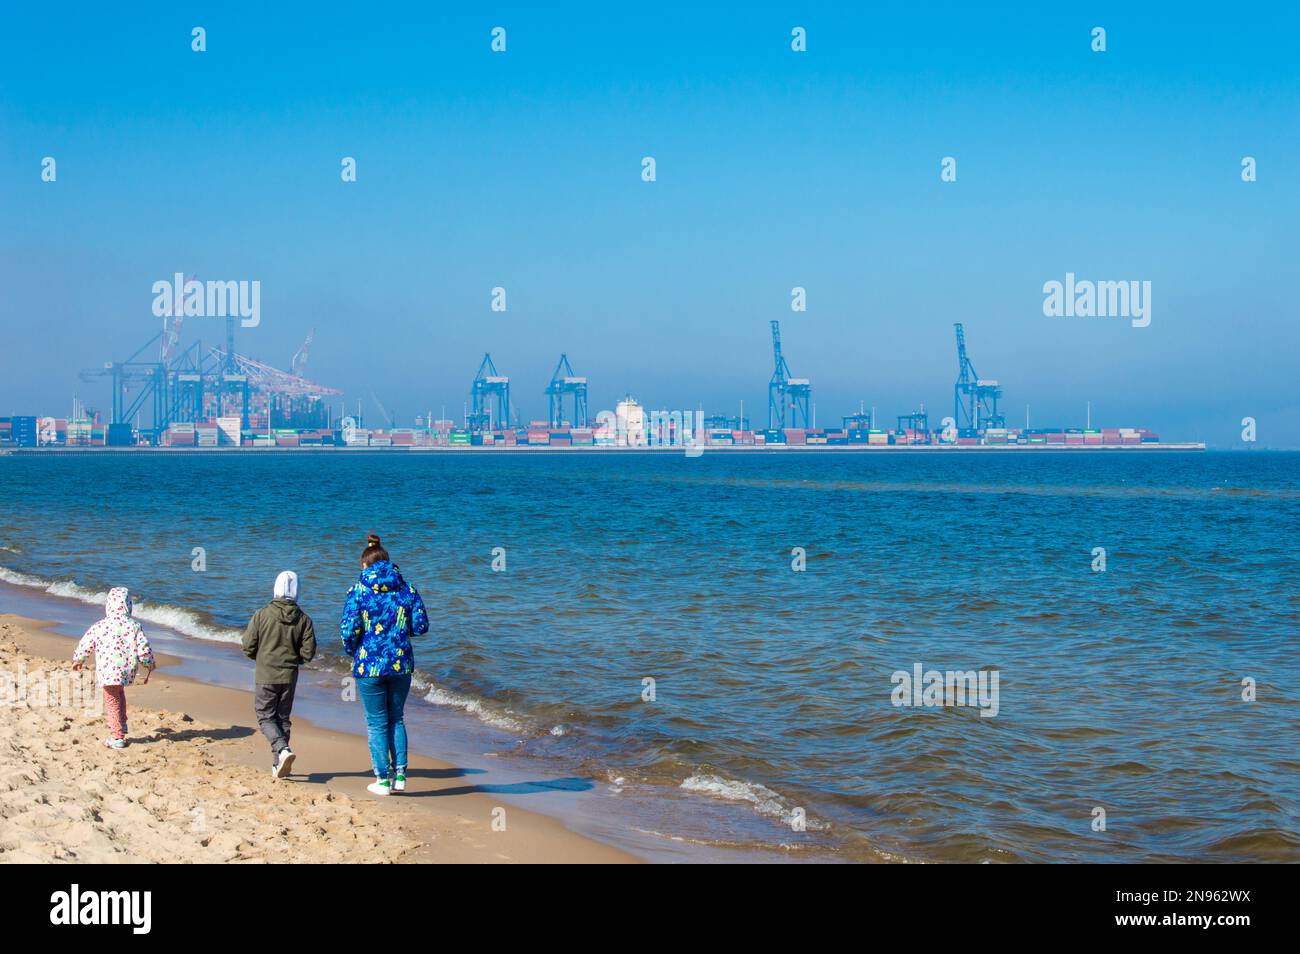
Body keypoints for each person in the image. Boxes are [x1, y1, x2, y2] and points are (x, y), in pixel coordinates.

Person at [340, 534, 428, 796]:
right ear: (388, 562)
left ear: (365, 565)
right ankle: (400, 776)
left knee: (377, 723)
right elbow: (421, 626)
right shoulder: (407, 589)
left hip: (369, 665)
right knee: (397, 719)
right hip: (401, 663)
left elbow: (348, 629)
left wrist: (353, 651)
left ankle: (382, 781)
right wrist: (401, 631)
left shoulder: (358, 590)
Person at [242, 570, 316, 779]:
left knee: (265, 716)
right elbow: (308, 652)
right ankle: (279, 763)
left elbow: (248, 646)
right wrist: (295, 660)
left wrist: (262, 658)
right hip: (289, 676)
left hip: (266, 674)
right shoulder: (304, 620)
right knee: (282, 718)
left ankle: (282, 750)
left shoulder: (261, 615)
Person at [72, 587, 155, 749]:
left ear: (108, 605)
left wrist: (78, 659)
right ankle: (122, 723)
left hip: (108, 670)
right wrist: (149, 662)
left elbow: (85, 644)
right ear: (128, 606)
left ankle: (117, 737)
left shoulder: (100, 625)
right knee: (119, 692)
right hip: (126, 669)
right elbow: (143, 647)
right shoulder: (134, 626)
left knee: (112, 700)